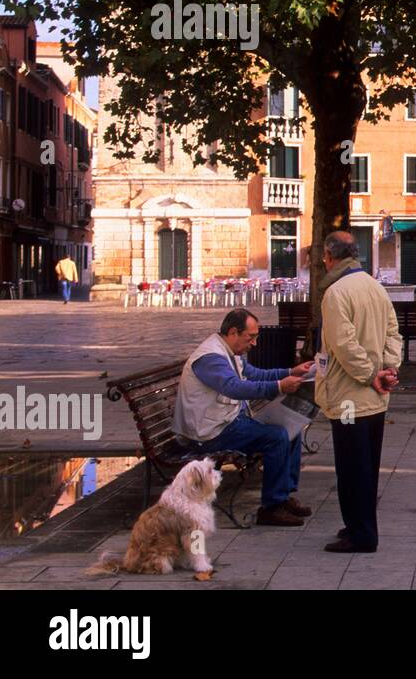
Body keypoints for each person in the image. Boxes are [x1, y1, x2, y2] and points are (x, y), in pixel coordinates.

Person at [172, 308, 315, 525]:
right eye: (251, 337)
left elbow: (255, 374)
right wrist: (279, 386)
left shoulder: (230, 352)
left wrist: (290, 372)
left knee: (290, 428)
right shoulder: (211, 358)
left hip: (228, 421)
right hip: (209, 432)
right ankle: (272, 507)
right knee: (276, 436)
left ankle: (284, 495)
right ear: (233, 332)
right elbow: (234, 387)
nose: (254, 344)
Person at [318, 231, 403, 554]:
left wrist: (371, 375)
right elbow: (393, 333)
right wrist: (389, 368)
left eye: (324, 257)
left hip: (349, 395)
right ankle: (357, 524)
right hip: (376, 396)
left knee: (351, 468)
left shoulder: (335, 293)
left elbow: (343, 345)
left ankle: (362, 534)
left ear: (330, 256)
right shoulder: (375, 286)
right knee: (366, 465)